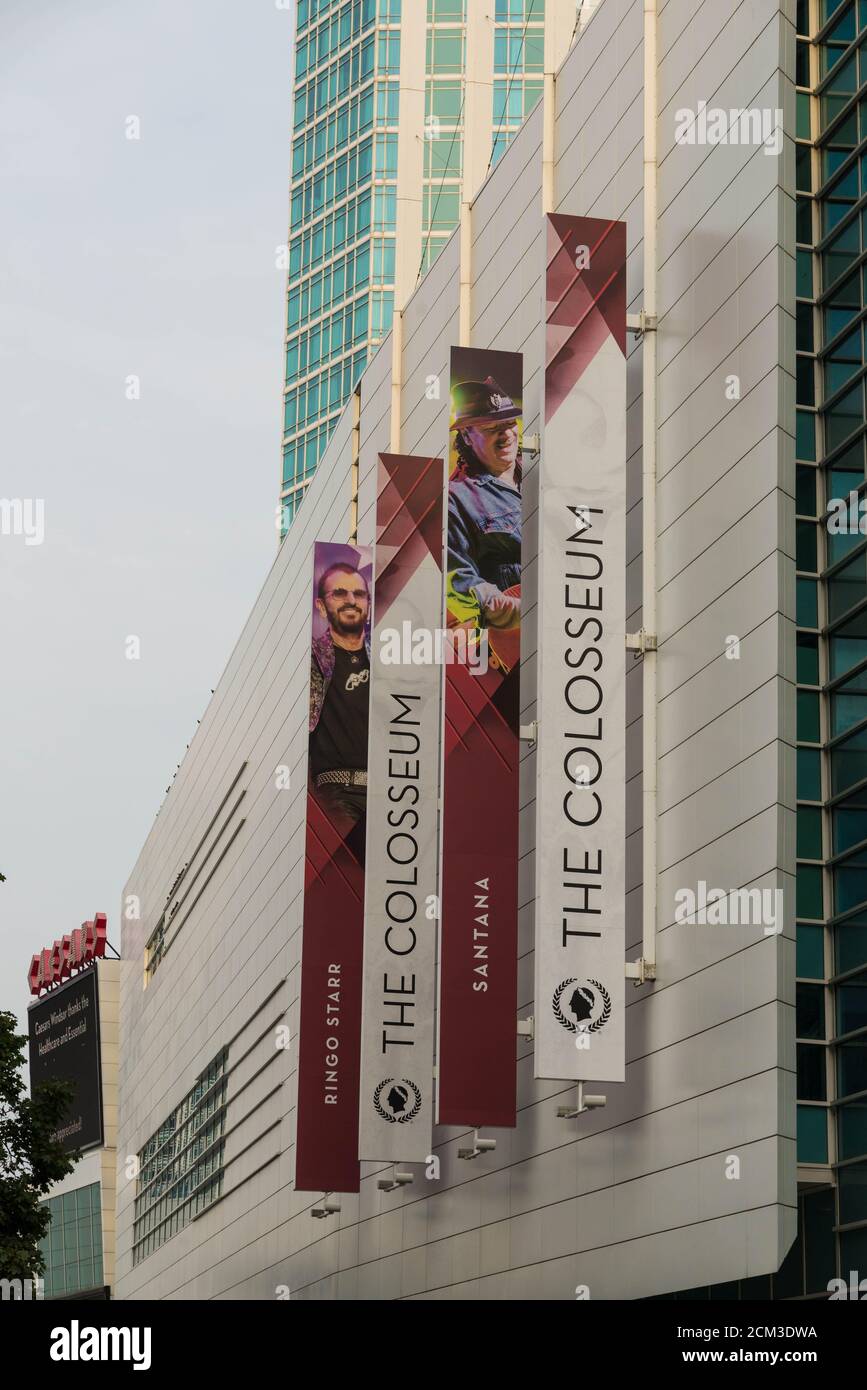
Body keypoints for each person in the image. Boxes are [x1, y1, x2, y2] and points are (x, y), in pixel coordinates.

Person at [447, 377, 522, 651]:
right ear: (467, 435)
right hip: (515, 646)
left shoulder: (545, 472)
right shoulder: (454, 499)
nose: (507, 434)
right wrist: (527, 610)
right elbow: (460, 580)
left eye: (510, 423)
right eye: (492, 428)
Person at [308, 562, 371, 852]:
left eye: (359, 594)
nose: (351, 600)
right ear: (321, 606)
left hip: (389, 791)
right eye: (340, 593)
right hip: (335, 794)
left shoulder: (387, 659)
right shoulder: (312, 659)